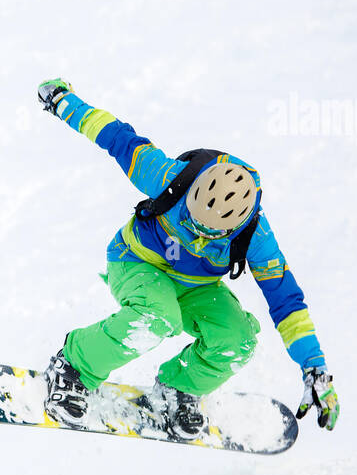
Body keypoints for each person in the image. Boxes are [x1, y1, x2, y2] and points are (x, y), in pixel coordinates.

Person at [36, 78, 340, 436]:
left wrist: (314, 367)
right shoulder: (168, 177)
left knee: (238, 339)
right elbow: (115, 137)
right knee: (157, 317)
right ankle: (72, 367)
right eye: (192, 221)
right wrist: (62, 101)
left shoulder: (257, 238)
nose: (197, 234)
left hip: (195, 287)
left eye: (209, 233)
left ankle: (179, 388)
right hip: (137, 262)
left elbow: (286, 301)